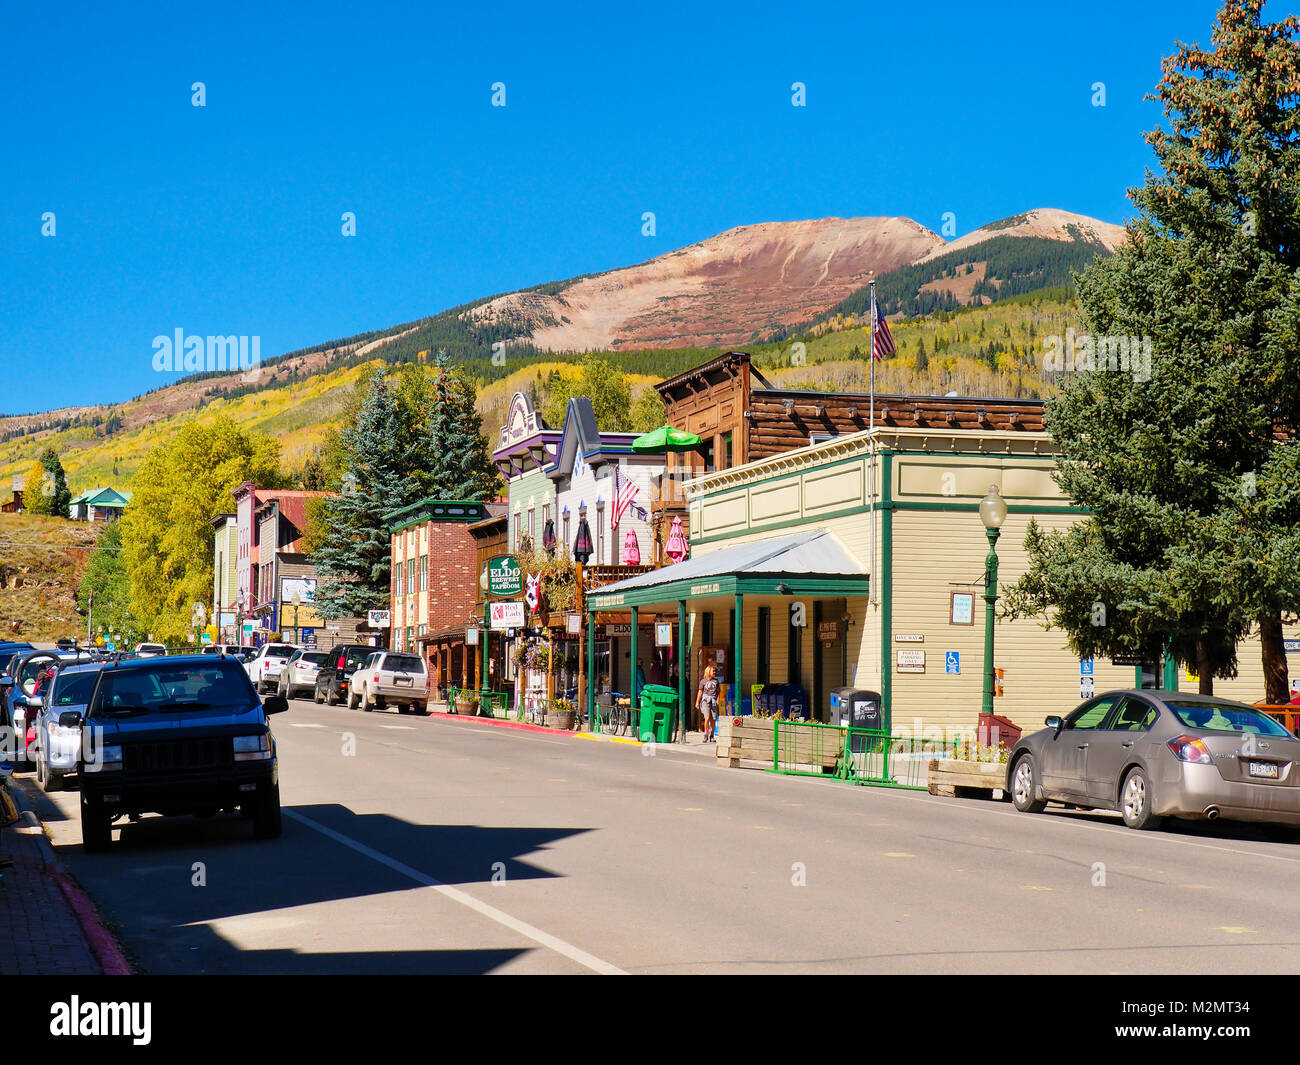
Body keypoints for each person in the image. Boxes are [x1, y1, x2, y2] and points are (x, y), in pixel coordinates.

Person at [696, 662, 720, 742]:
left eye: (714, 671)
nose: (714, 672)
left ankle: (712, 735)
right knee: (707, 717)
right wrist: (697, 702)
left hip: (713, 701)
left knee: (713, 718)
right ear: (708, 671)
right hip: (705, 701)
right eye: (713, 671)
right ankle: (706, 733)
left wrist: (718, 700)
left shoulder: (716, 681)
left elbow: (718, 691)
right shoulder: (703, 681)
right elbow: (700, 692)